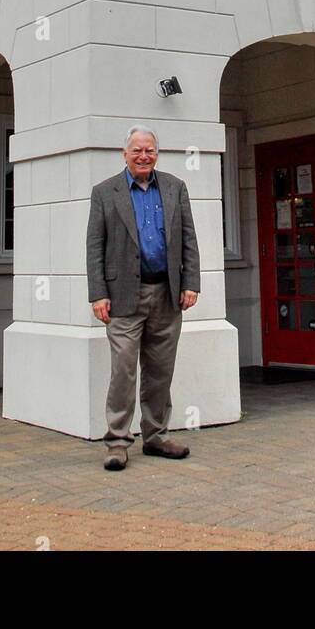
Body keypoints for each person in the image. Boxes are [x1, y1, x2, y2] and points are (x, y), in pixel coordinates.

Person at [86, 126, 200, 471]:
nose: (143, 156)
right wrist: (98, 294)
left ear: (157, 154)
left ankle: (156, 436)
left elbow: (188, 239)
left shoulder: (175, 187)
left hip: (166, 293)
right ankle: (118, 441)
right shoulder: (105, 192)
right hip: (122, 296)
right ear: (125, 154)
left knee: (160, 371)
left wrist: (191, 282)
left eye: (149, 150)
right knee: (123, 371)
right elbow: (95, 247)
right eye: (137, 151)